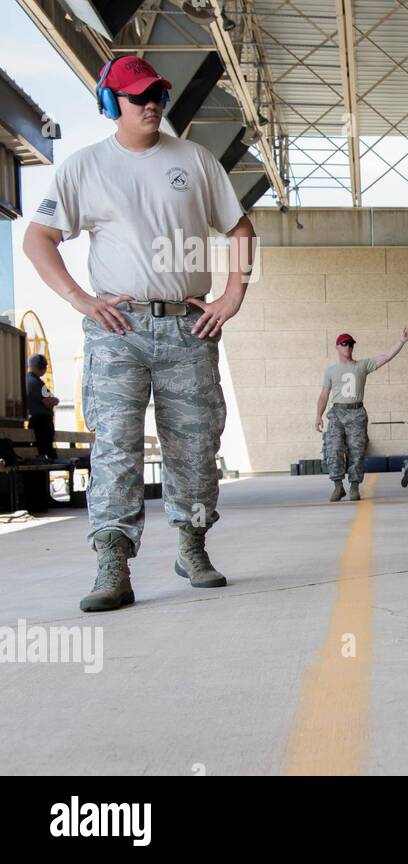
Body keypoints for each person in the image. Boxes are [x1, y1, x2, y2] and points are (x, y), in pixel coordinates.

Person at [23, 56, 256, 612]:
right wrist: (81, 299)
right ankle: (113, 560)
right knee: (116, 450)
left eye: (157, 94)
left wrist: (231, 296)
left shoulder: (195, 161)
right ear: (110, 104)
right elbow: (39, 239)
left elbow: (240, 228)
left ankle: (192, 546)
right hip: (117, 331)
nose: (150, 104)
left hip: (186, 327)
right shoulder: (85, 168)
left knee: (196, 447)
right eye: (136, 97)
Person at [315, 328, 408, 502]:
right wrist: (318, 415)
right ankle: (338, 486)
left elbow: (385, 357)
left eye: (351, 344)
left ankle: (354, 486)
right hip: (337, 413)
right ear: (337, 347)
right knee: (334, 449)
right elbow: (324, 395)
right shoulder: (331, 371)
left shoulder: (362, 365)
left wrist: (401, 341)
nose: (348, 347)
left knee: (357, 451)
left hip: (356, 413)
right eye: (344, 344)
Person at [25, 355, 59, 460]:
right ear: (37, 366)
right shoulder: (38, 383)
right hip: (43, 424)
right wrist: (56, 400)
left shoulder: (25, 380)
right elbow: (49, 401)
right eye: (43, 366)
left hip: (34, 421)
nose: (44, 369)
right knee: (48, 452)